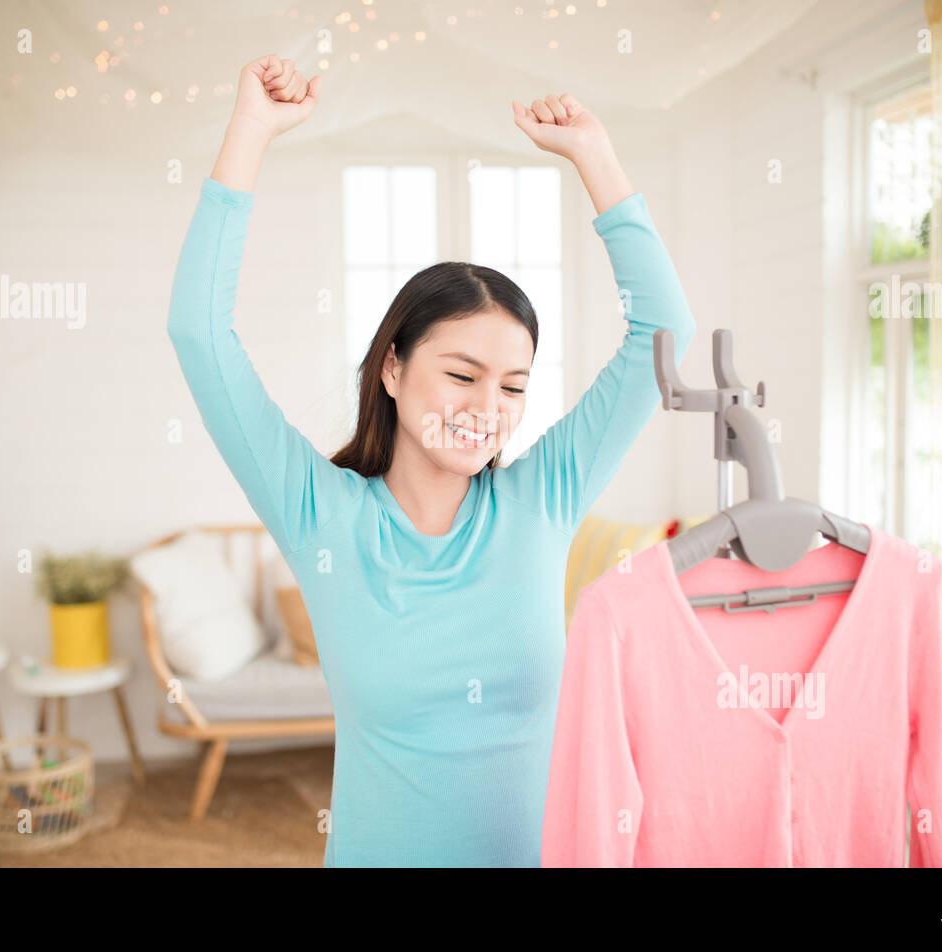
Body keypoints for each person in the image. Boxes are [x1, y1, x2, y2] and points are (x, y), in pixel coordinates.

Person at [167, 54, 696, 866]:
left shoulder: (541, 499)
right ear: (392, 367)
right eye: (461, 374)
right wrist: (252, 131)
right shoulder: (322, 514)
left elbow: (663, 332)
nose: (487, 408)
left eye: (513, 385)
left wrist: (596, 158)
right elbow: (200, 333)